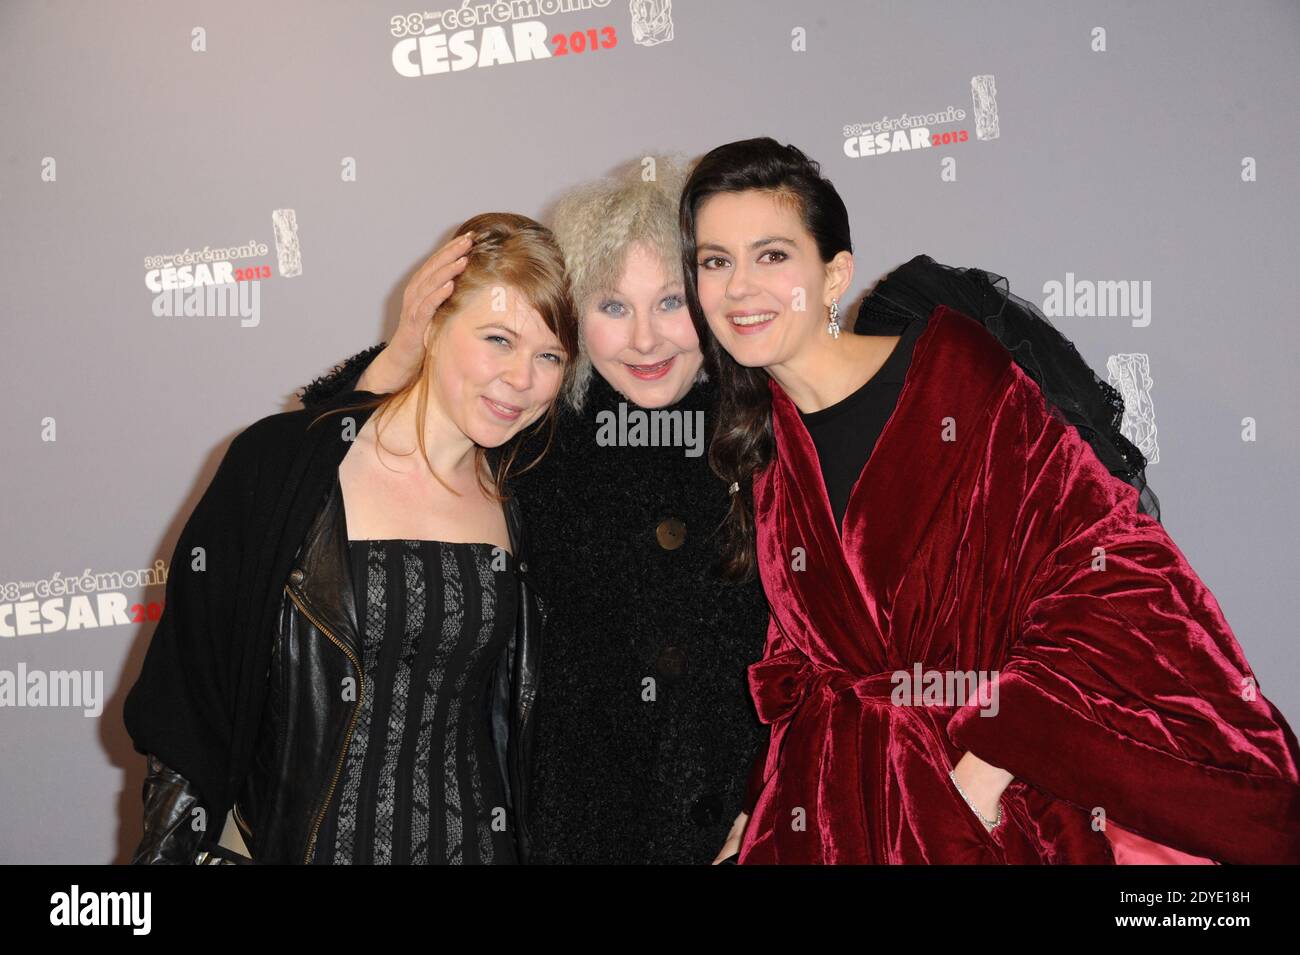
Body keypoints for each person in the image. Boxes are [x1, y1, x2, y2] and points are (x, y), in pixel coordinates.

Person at [678, 136, 1300, 864]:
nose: (739, 287)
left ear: (834, 274)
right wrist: (755, 809)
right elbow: (800, 669)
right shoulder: (771, 456)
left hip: (984, 802)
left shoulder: (957, 381)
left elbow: (1110, 571)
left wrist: (996, 757)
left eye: (772, 255)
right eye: (715, 262)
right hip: (841, 810)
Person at [300, 157, 771, 864]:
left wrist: (773, 793)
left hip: (736, 832)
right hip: (567, 830)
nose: (645, 339)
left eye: (670, 301)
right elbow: (335, 448)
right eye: (612, 306)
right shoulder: (528, 431)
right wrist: (403, 350)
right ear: (573, 318)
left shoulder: (762, 434)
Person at [124, 212, 577, 864]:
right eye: (498, 339)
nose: (522, 378)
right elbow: (189, 709)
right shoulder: (282, 466)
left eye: (549, 356)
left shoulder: (531, 495)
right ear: (435, 322)